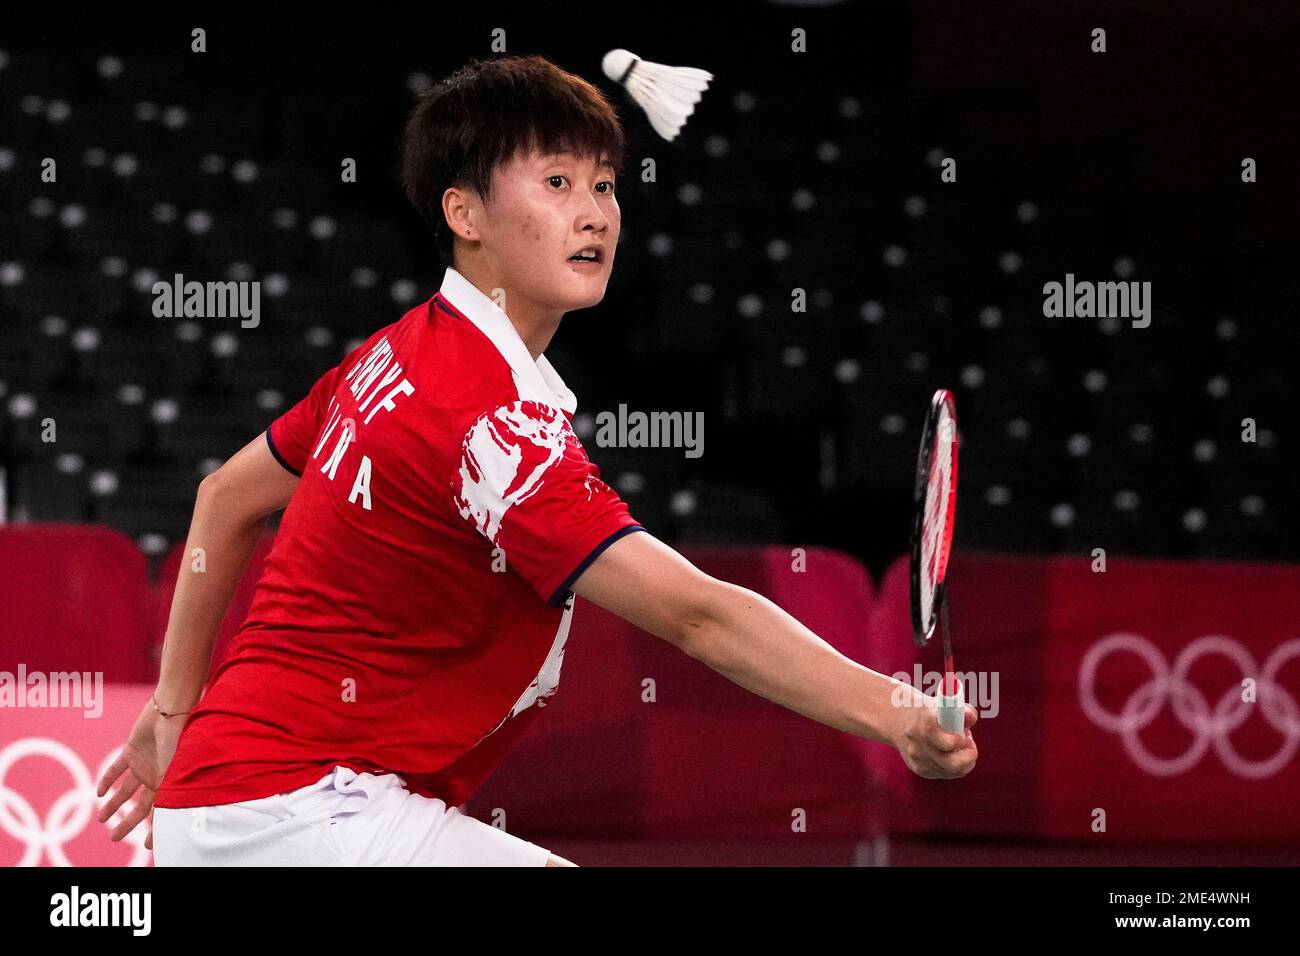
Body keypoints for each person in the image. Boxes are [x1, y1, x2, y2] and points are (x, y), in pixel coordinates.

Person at [97, 53, 977, 867]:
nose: (595, 212)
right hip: (298, 811)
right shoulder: (487, 423)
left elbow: (224, 499)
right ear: (463, 213)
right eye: (556, 183)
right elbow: (698, 617)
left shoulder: (395, 355)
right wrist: (894, 715)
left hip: (247, 804)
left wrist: (175, 710)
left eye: (604, 184)